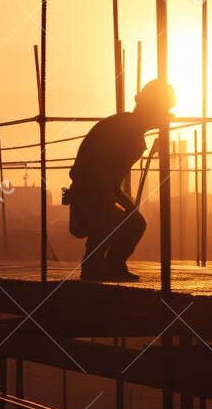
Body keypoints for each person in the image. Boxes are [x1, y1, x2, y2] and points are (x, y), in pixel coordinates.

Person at [67, 79, 175, 281]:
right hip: (89, 191)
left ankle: (113, 265)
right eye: (162, 112)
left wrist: (123, 202)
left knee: (134, 222)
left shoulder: (130, 129)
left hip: (100, 188)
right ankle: (93, 265)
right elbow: (98, 170)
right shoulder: (126, 131)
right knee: (113, 219)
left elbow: (111, 176)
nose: (163, 118)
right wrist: (109, 199)